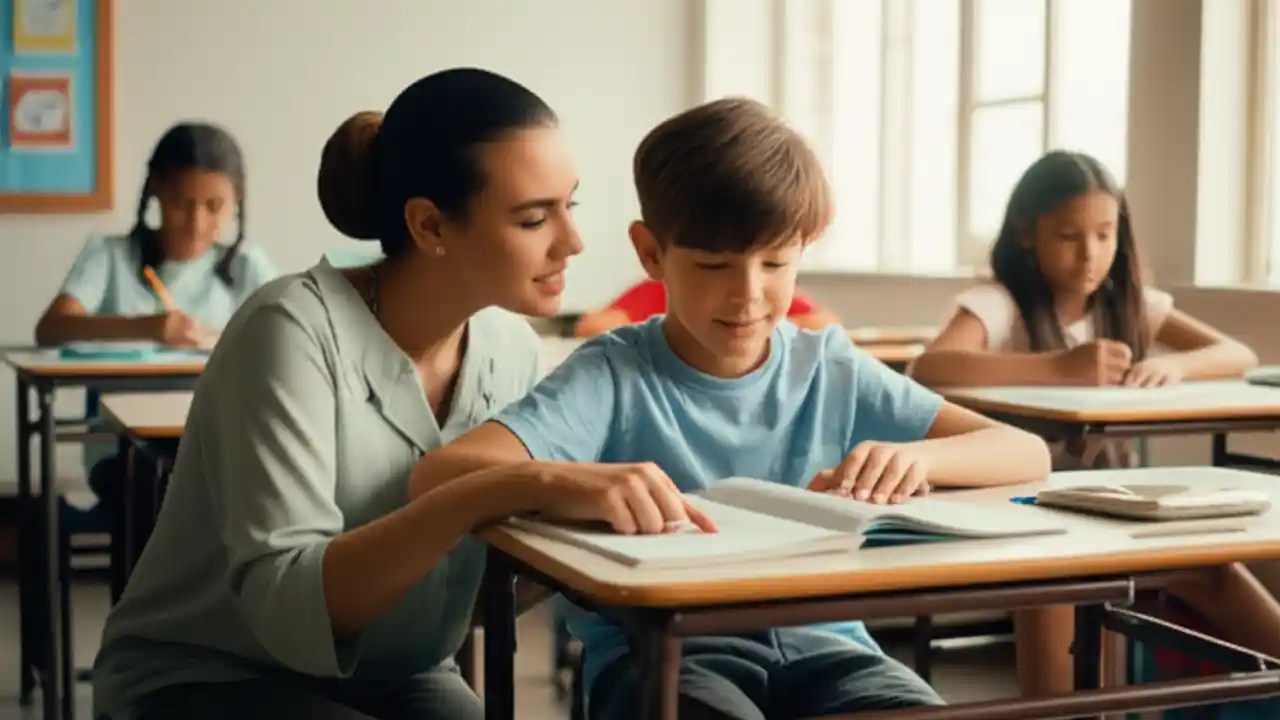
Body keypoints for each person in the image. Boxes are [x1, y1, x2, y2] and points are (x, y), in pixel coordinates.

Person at [92, 68, 708, 720]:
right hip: (207, 677)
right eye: (534, 218)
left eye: (570, 206)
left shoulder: (511, 349)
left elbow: (470, 591)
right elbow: (288, 610)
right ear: (430, 226)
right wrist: (508, 486)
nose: (573, 242)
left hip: (397, 676)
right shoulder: (288, 331)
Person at [411, 97, 1051, 720]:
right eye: (713, 264)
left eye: (776, 262)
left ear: (807, 244)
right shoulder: (612, 373)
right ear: (651, 253)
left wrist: (914, 455)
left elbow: (1025, 452)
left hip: (827, 646)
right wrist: (562, 481)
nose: (748, 295)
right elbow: (439, 474)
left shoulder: (826, 364)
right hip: (665, 653)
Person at [911, 150, 1280, 695]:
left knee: (1210, 569)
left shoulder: (1127, 303)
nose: (1090, 254)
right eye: (1068, 235)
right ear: (1026, 233)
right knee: (1058, 580)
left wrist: (1172, 364)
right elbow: (931, 367)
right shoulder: (998, 301)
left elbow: (1235, 354)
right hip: (1019, 505)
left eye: (1105, 235)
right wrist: (1055, 368)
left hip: (1109, 500)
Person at [34, 122, 278, 508]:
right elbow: (51, 328)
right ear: (156, 193)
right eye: (181, 203)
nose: (197, 223)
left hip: (220, 443)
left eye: (214, 207)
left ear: (237, 204)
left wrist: (215, 338)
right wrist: (146, 328)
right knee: (164, 489)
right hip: (122, 449)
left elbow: (285, 346)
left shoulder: (248, 265)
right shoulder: (111, 254)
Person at [573, 277, 840, 336]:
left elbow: (825, 323)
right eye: (712, 268)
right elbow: (590, 326)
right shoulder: (657, 288)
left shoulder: (759, 286)